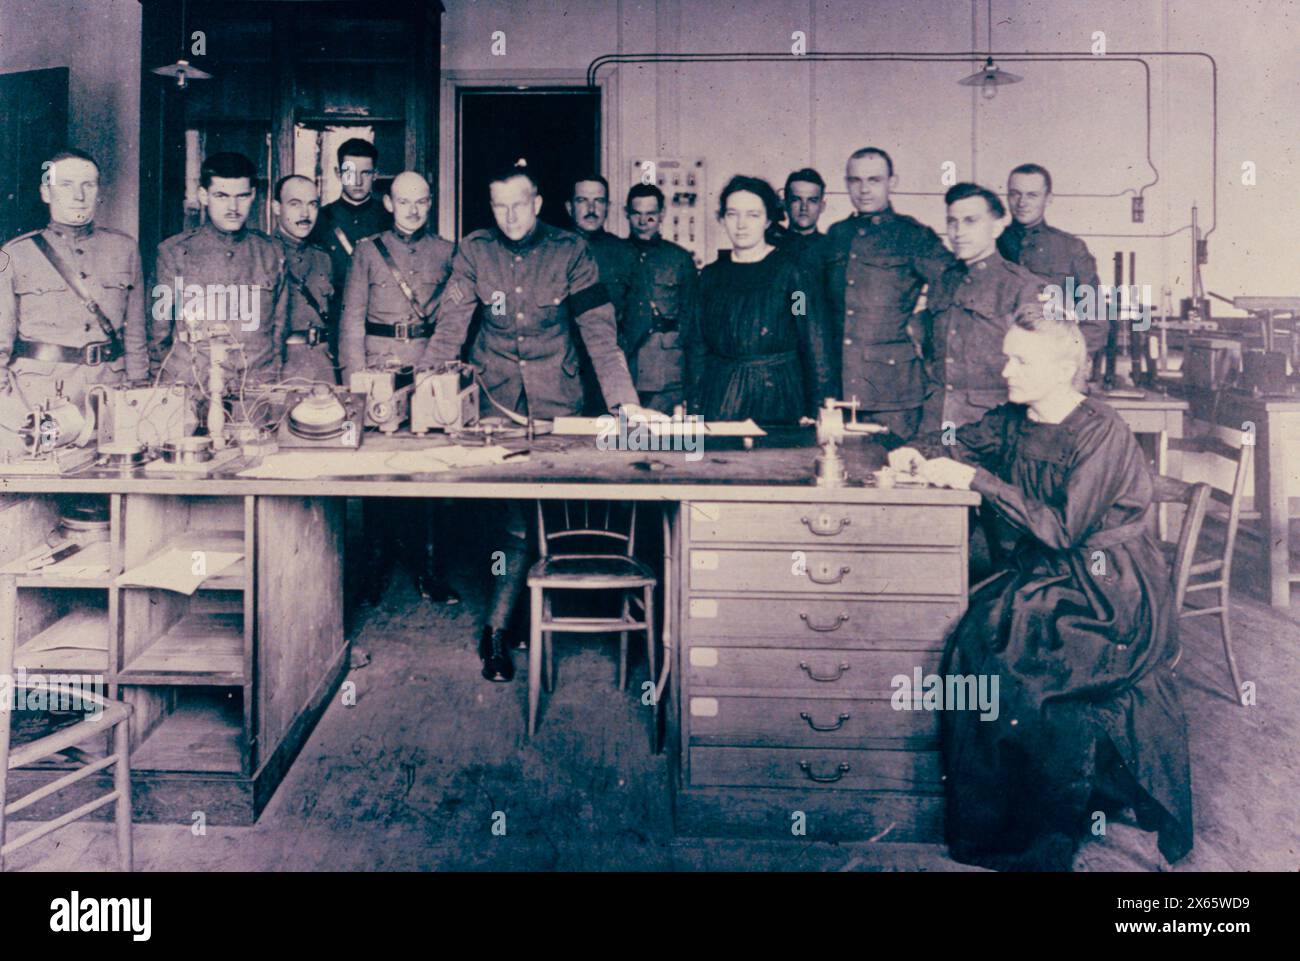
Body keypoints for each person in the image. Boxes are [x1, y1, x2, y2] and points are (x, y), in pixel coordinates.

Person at [886, 308, 1192, 871]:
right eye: (1007, 356)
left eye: (1021, 359)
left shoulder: (1102, 430)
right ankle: (992, 829)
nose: (1007, 369)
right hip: (1047, 574)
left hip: (1108, 588)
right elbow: (958, 441)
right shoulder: (1015, 418)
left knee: (1014, 660)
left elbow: (1062, 528)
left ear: (1066, 365)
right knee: (977, 638)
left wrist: (975, 479)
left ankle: (1036, 837)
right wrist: (919, 450)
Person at [419, 160, 655, 682]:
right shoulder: (474, 251)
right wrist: (424, 390)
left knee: (545, 512)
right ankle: (499, 628)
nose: (509, 216)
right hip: (495, 403)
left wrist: (624, 404)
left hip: (557, 402)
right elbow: (451, 327)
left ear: (539, 204)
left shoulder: (571, 251)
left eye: (519, 204)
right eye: (499, 205)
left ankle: (522, 612)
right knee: (512, 519)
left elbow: (598, 333)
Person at [339, 170, 458, 607]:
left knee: (431, 471)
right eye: (404, 201)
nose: (413, 210)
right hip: (377, 367)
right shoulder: (368, 252)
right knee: (378, 471)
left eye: (422, 201)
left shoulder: (448, 252)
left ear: (430, 204)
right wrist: (356, 380)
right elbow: (351, 317)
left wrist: (439, 371)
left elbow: (453, 319)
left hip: (427, 367)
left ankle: (429, 568)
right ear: (388, 203)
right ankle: (374, 566)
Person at [0, 148, 148, 453]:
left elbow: (135, 334)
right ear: (46, 192)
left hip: (109, 391)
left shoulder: (124, 249)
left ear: (98, 192)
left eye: (88, 185)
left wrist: (137, 389)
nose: (78, 195)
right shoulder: (14, 255)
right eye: (66, 185)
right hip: (37, 396)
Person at [824, 148, 955, 440]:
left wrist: (922, 326)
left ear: (892, 182)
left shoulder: (912, 235)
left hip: (892, 390)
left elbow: (953, 281)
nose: (864, 189)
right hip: (839, 386)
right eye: (855, 180)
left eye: (874, 179)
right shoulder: (837, 234)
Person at [685, 174, 829, 423]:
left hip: (779, 396)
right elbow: (698, 346)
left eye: (752, 215)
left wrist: (818, 407)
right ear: (722, 219)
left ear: (768, 220)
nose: (741, 225)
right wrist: (695, 405)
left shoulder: (793, 277)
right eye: (732, 214)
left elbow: (812, 338)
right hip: (721, 397)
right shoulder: (710, 277)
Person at [154, 152, 288, 400]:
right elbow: (158, 335)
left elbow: (278, 332)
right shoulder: (174, 252)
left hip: (254, 393)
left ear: (254, 195)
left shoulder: (272, 252)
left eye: (242, 196)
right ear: (203, 195)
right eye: (221, 196)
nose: (233, 208)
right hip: (192, 391)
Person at [919, 182, 1045, 434]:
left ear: (997, 227)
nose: (958, 232)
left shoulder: (1022, 286)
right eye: (952, 222)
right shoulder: (943, 281)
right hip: (936, 422)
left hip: (990, 427)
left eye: (970, 221)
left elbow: (1040, 365)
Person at [998, 163, 1106, 359]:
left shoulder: (1071, 249)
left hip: (1052, 362)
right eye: (1015, 194)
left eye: (1032, 195)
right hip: (997, 362)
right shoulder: (992, 246)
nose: (1022, 202)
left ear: (1048, 199)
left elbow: (1096, 319)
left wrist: (1064, 358)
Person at [309, 138, 393, 355]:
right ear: (338, 173)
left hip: (379, 325)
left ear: (375, 174)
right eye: (349, 172)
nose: (357, 181)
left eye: (365, 173)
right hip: (334, 323)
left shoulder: (389, 220)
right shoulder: (320, 220)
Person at [622, 182, 698, 413]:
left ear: (662, 214)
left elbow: (692, 320)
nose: (643, 222)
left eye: (650, 215)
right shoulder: (615, 254)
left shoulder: (679, 259)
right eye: (636, 214)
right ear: (627, 214)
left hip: (667, 370)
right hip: (626, 366)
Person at [566, 174, 634, 413]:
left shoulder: (625, 253)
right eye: (582, 201)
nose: (591, 208)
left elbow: (635, 316)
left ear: (608, 207)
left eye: (599, 201)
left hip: (609, 366)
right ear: (569, 207)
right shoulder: (555, 251)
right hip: (564, 369)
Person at [272, 175, 336, 384]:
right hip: (283, 367)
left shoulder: (323, 258)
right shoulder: (263, 254)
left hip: (323, 366)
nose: (305, 214)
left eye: (312, 204)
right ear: (276, 207)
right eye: (294, 204)